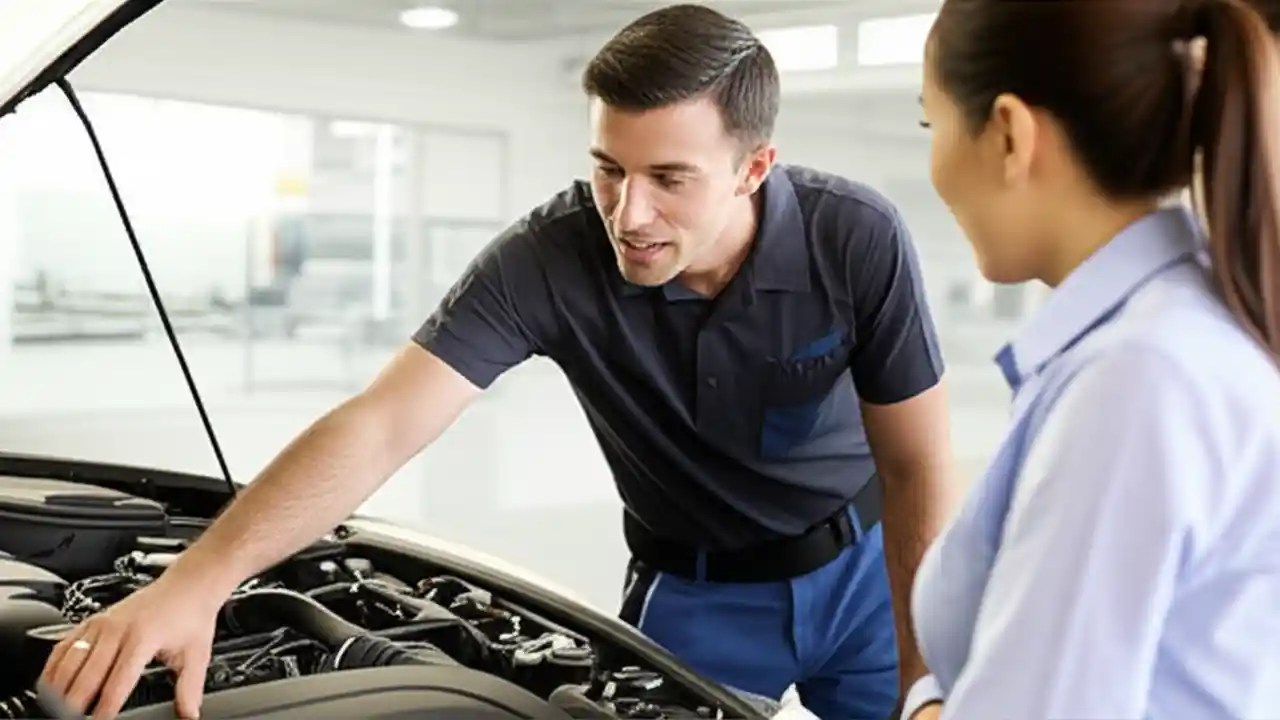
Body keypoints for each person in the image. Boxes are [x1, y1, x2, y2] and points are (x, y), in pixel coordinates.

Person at [40, 4, 955, 719]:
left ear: (754, 170)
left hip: (868, 577)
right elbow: (381, 422)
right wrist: (196, 581)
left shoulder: (854, 237)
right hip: (697, 598)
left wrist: (927, 678)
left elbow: (917, 466)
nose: (628, 214)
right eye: (608, 168)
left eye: (670, 179)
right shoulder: (548, 258)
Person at [903, 0, 1280, 719]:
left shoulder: (1139, 380)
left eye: (934, 124)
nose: (936, 167)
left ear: (1010, 134)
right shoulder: (1167, 341)